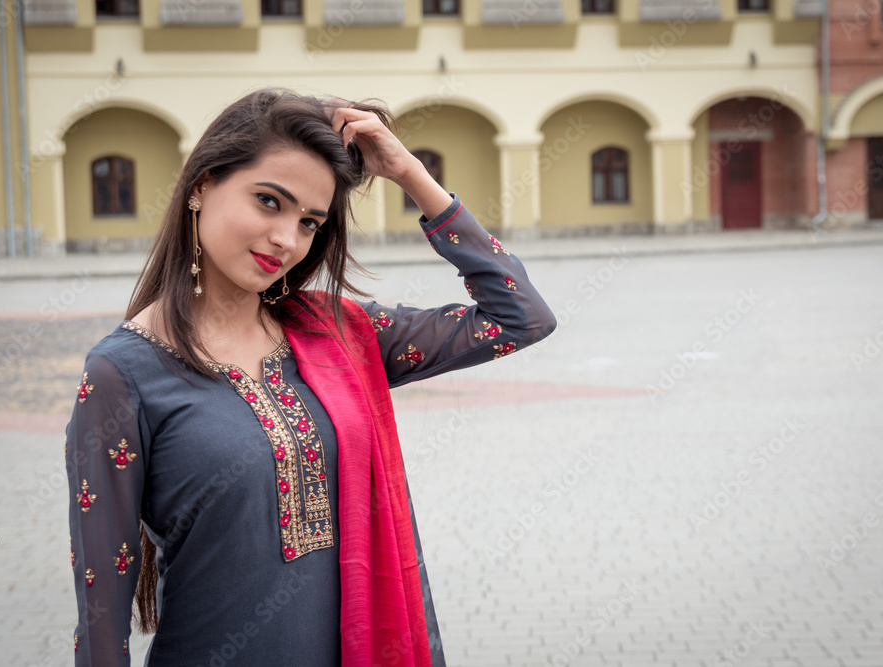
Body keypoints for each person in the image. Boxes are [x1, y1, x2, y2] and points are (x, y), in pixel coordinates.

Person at [65, 88, 556, 666]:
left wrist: (410, 173)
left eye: (309, 222)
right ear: (201, 186)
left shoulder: (340, 335)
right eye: (269, 201)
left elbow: (520, 317)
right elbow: (101, 625)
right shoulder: (122, 374)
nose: (287, 240)